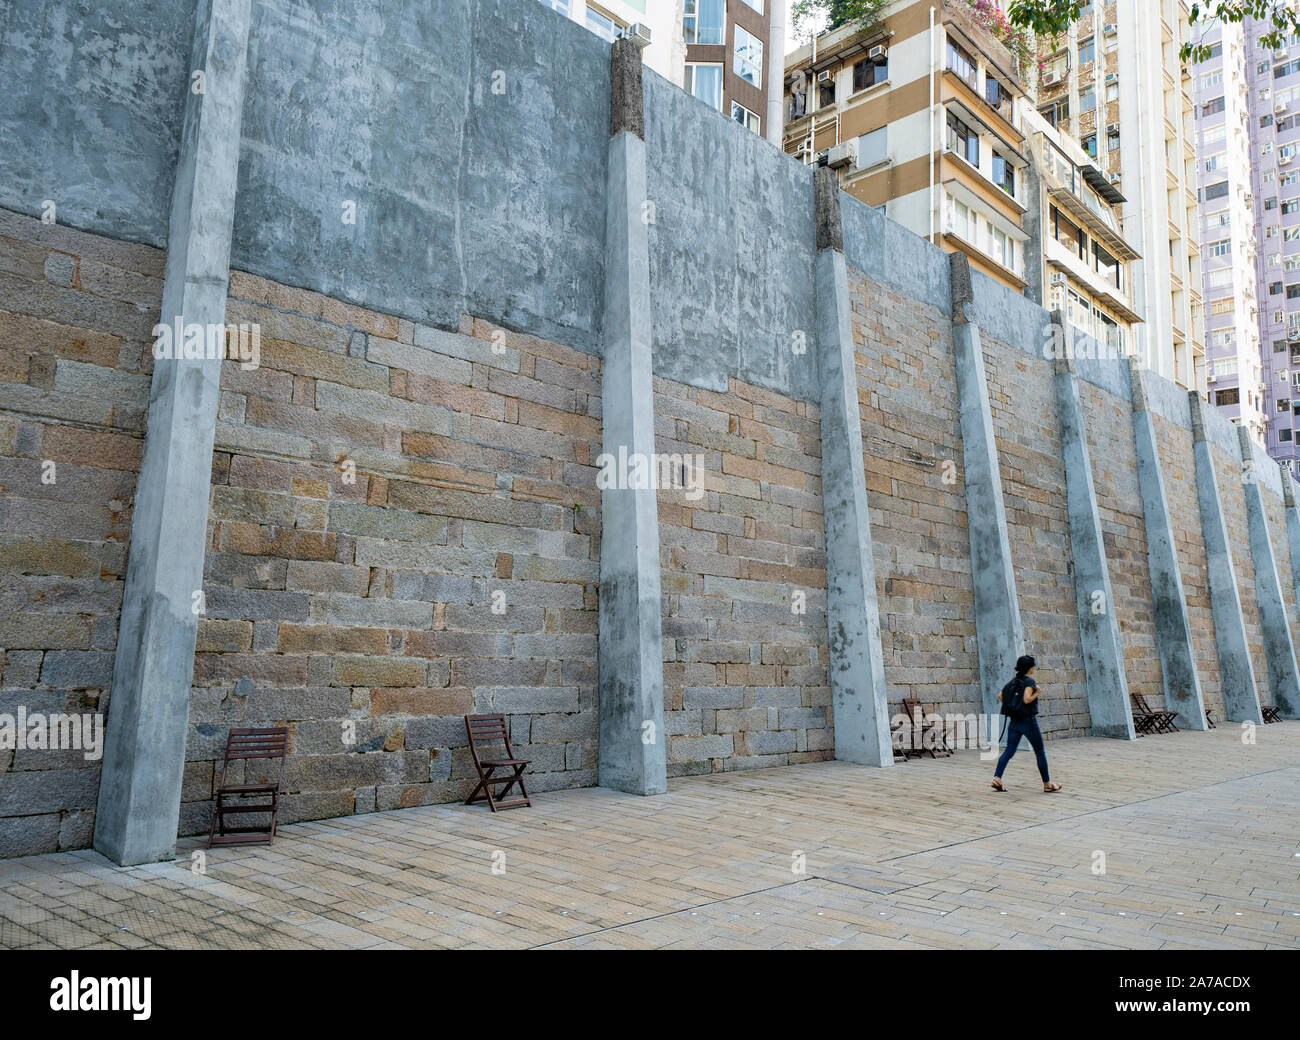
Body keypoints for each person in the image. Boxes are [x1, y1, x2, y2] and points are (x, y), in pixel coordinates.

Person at [991, 655, 1062, 793]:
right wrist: (1038, 692)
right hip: (1028, 721)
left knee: (1009, 751)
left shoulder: (1013, 682)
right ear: (1030, 668)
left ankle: (997, 778)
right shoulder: (1030, 681)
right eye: (1033, 665)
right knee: (1040, 751)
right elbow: (1027, 699)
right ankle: (1047, 784)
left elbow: (1000, 695)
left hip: (1014, 721)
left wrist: (1012, 706)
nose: (1034, 668)